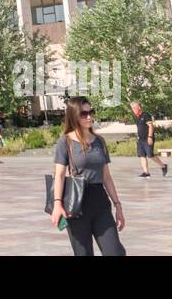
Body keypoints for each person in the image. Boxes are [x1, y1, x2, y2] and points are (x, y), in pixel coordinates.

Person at [50, 96, 126, 256]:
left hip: (100, 202)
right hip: (76, 205)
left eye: (91, 112)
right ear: (74, 116)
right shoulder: (65, 142)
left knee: (115, 252)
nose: (89, 117)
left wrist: (118, 205)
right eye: (84, 114)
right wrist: (57, 204)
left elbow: (106, 177)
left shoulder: (99, 141)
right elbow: (59, 175)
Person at [132, 101, 167, 178]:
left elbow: (151, 126)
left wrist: (150, 137)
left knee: (150, 155)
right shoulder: (137, 117)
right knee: (142, 155)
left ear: (139, 107)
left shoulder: (146, 115)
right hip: (140, 139)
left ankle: (163, 166)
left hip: (147, 138)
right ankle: (146, 172)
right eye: (132, 108)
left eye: (134, 108)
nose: (133, 110)